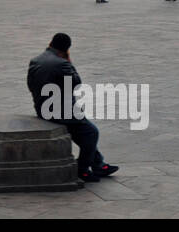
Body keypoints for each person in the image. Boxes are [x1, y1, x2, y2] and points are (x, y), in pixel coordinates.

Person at [27, 32, 119, 184]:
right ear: (66, 49)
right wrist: (69, 61)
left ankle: (98, 164)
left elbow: (30, 84)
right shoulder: (62, 63)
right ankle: (82, 170)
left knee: (81, 132)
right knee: (91, 133)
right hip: (60, 111)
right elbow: (76, 82)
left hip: (42, 108)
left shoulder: (35, 60)